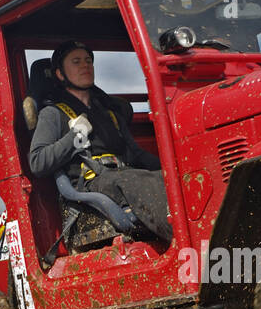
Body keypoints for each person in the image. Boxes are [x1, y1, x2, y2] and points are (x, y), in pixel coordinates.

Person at [28, 40, 173, 243]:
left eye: (88, 60)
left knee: (167, 179)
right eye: (76, 61)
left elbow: (136, 153)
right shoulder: (53, 113)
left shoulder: (109, 113)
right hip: (91, 184)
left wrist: (172, 169)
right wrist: (74, 137)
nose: (85, 65)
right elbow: (37, 162)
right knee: (136, 181)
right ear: (60, 74)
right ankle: (183, 245)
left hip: (122, 175)